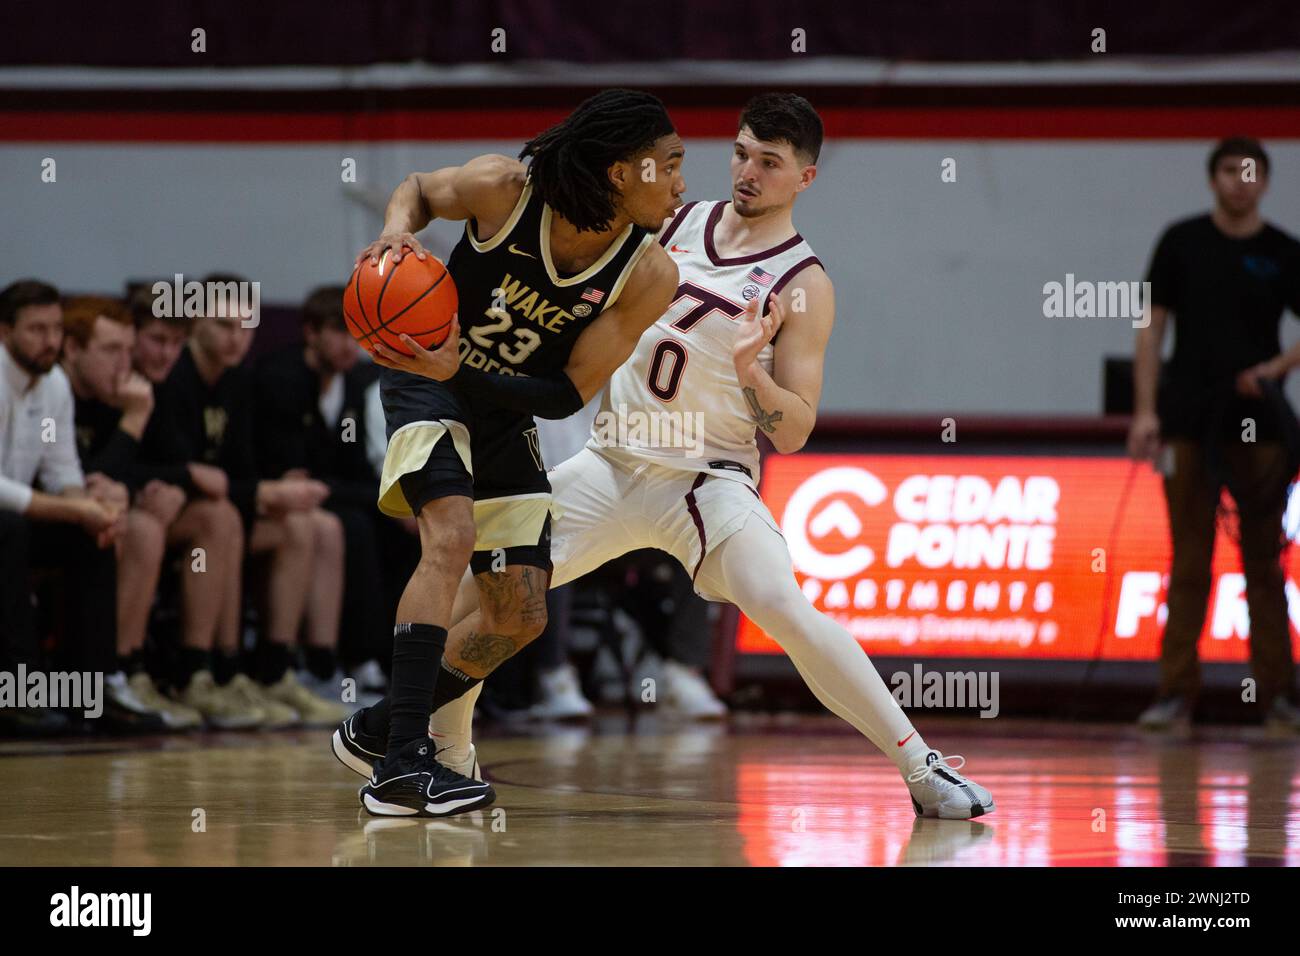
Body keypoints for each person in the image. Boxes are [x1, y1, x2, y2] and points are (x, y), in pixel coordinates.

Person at [342, 93, 995, 820]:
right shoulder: (664, 221)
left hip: (705, 481)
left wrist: (756, 374)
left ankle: (922, 766)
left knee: (782, 603)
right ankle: (443, 753)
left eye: (770, 163)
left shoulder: (804, 284)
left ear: (803, 179)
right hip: (612, 463)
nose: (748, 172)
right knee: (487, 595)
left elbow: (797, 429)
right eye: (742, 152)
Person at [333, 88, 684, 817]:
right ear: (621, 172)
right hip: (422, 384)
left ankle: (375, 729)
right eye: (669, 165)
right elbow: (421, 191)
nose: (682, 183)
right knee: (450, 539)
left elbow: (566, 392)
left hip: (495, 401)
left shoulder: (649, 274)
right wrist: (398, 231)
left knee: (520, 613)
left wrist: (461, 370)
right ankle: (402, 764)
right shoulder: (507, 188)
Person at [1129, 136, 1300, 732]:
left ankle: (1280, 699)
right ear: (1213, 179)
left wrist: (1275, 371)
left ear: (1266, 182)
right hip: (1186, 423)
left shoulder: (1283, 252)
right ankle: (1175, 697)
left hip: (1264, 430)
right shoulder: (1182, 243)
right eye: (1230, 170)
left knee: (1264, 561)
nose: (1240, 181)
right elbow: (1151, 329)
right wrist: (1145, 412)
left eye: (1250, 172)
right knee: (1189, 561)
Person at [142, 275, 350, 728]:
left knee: (302, 523)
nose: (237, 337)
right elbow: (186, 470)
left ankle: (275, 670)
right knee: (221, 519)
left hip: (217, 509)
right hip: (168, 511)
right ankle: (200, 672)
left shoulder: (237, 382)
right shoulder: (174, 377)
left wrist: (268, 491)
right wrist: (261, 492)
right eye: (224, 325)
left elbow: (238, 472)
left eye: (245, 326)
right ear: (195, 321)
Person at [0, 280, 142, 734]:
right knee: (11, 528)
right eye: (36, 330)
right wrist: (74, 509)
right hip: (8, 521)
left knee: (93, 536)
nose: (49, 342)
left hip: (17, 518)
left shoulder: (54, 383)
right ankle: (18, 694)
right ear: (5, 332)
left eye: (55, 329)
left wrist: (94, 508)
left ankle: (90, 689)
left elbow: (63, 473)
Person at [61, 295, 204, 730]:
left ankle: (131, 671)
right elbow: (86, 479)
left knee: (192, 519)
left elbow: (183, 466)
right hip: (42, 516)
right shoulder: (60, 390)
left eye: (127, 350)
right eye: (112, 351)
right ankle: (91, 681)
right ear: (73, 349)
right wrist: (134, 420)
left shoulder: (133, 387)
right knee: (128, 526)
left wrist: (152, 487)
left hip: (91, 511)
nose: (126, 363)